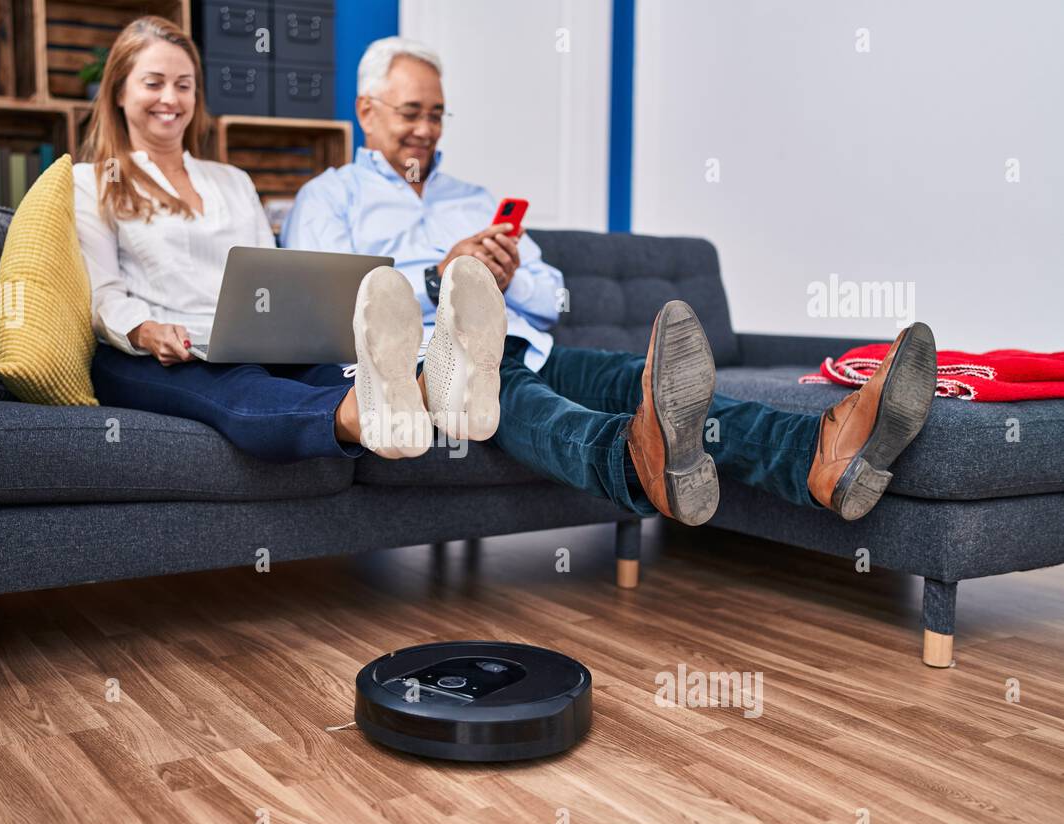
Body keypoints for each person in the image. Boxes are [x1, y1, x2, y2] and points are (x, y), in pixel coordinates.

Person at [282, 37, 938, 523]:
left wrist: (502, 281)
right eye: (410, 112)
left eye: (438, 114)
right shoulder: (327, 198)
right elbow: (327, 308)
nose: (425, 130)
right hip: (438, 366)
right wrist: (440, 278)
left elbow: (555, 291)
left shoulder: (473, 196)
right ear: (368, 112)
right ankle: (637, 457)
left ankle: (821, 454)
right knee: (522, 397)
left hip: (527, 342)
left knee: (645, 383)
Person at [73, 17, 507, 463]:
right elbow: (103, 293)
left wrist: (293, 328)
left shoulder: (233, 181)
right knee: (242, 388)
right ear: (119, 92)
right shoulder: (90, 182)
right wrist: (146, 331)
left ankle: (437, 388)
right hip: (152, 354)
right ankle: (362, 417)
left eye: (184, 85)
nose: (170, 98)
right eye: (154, 83)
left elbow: (271, 275)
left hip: (237, 339)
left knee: (328, 368)